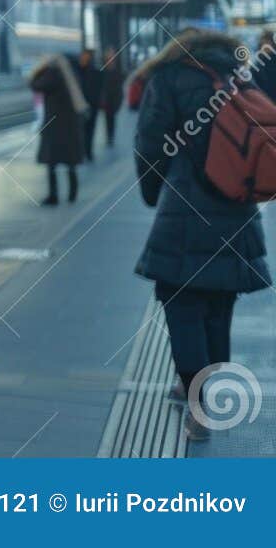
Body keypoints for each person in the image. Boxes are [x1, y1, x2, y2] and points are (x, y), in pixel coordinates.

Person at [133, 27, 271, 440]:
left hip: (185, 208)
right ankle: (201, 393)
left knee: (181, 303)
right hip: (237, 209)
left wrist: (152, 191)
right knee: (218, 306)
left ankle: (197, 405)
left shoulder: (168, 78)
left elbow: (150, 143)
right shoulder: (240, 75)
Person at [30, 53, 87, 205]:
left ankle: (53, 196)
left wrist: (40, 69)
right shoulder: (72, 75)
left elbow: (35, 84)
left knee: (52, 162)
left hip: (55, 127)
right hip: (71, 125)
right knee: (70, 162)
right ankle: (72, 194)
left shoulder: (53, 74)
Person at [75, 48, 103, 160]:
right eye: (83, 57)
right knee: (80, 130)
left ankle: (88, 152)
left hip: (92, 105)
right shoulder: (76, 71)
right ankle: (82, 152)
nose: (84, 59)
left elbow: (99, 88)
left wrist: (97, 101)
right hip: (79, 105)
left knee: (90, 129)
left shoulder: (95, 71)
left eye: (86, 57)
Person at [99, 47, 125, 148]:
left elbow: (119, 86)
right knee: (107, 118)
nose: (110, 56)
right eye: (108, 54)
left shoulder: (117, 70)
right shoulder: (103, 69)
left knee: (112, 118)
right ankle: (109, 137)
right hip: (106, 99)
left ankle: (111, 136)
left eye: (112, 54)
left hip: (114, 98)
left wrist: (119, 99)